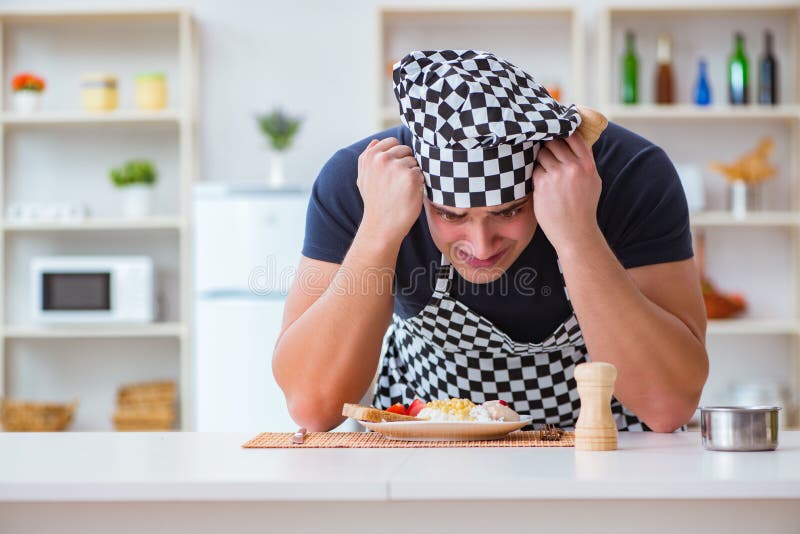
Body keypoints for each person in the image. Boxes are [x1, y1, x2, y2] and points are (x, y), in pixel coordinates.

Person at [273, 50, 708, 432]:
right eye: (450, 215)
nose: (480, 247)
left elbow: (667, 406)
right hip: (418, 451)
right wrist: (377, 233)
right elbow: (313, 407)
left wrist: (578, 236)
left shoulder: (629, 176)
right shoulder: (361, 182)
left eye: (509, 211)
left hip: (603, 451)